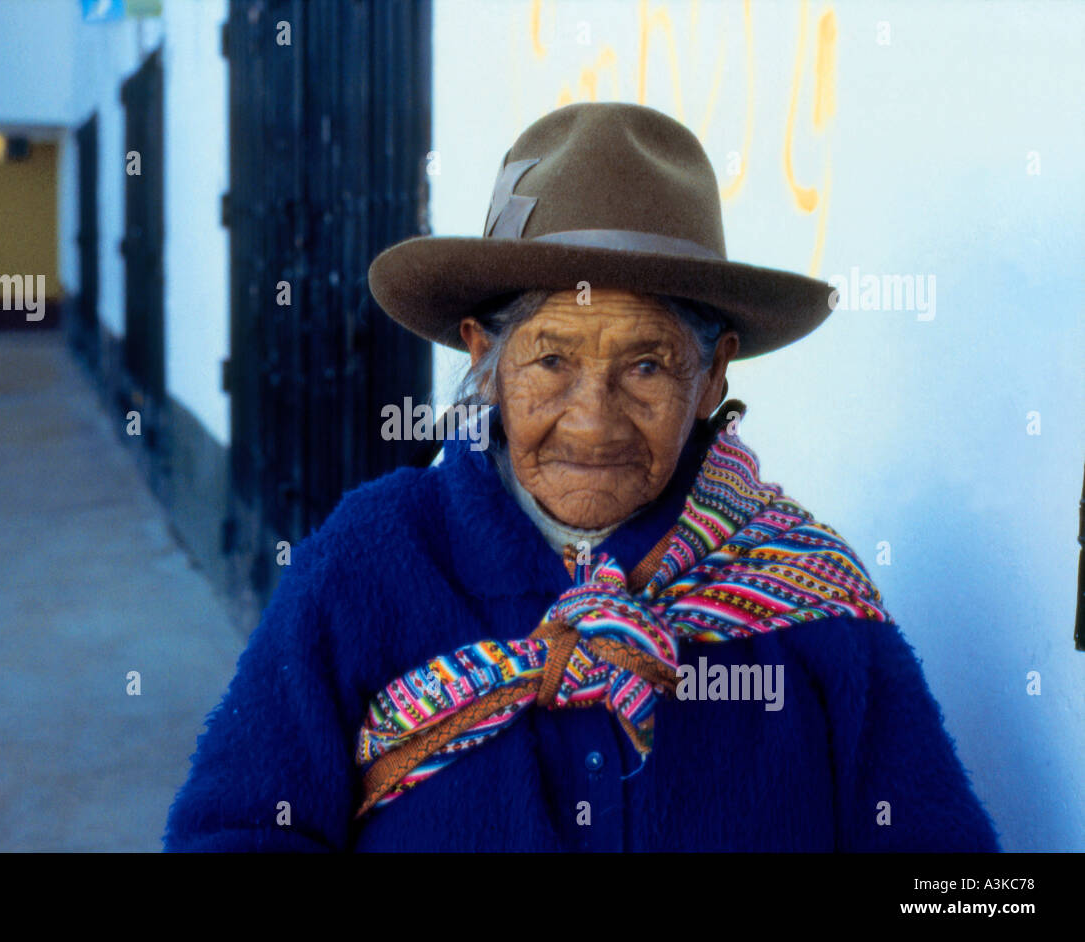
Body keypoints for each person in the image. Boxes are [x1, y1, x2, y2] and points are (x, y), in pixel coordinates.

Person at [163, 102, 1000, 852]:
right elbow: (235, 832)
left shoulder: (811, 598)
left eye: (646, 365)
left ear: (711, 380)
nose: (592, 420)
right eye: (551, 359)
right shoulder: (367, 565)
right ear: (486, 360)